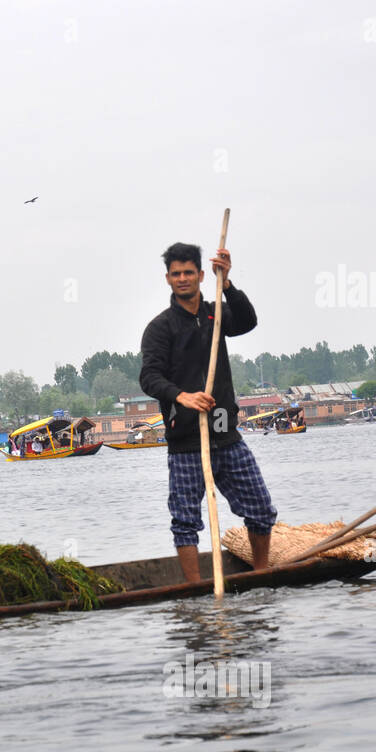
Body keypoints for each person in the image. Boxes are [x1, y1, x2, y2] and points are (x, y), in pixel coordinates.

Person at [139, 242, 278, 582]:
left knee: (261, 510)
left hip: (225, 432)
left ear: (201, 275)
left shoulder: (216, 314)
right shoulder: (161, 327)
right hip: (186, 437)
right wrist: (182, 396)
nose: (183, 278)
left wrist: (227, 283)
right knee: (185, 521)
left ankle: (260, 576)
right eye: (176, 274)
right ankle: (194, 587)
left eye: (189, 272)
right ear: (168, 279)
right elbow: (150, 377)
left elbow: (248, 320)